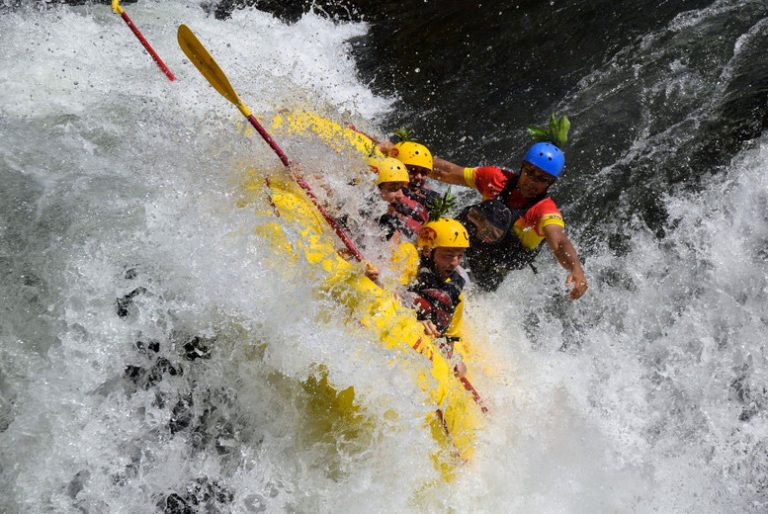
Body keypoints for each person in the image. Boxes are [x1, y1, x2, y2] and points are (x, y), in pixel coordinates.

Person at [431, 141, 588, 299]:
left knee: (497, 215)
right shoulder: (495, 179)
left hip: (488, 273)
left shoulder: (544, 211)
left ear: (550, 183)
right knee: (492, 210)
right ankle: (437, 252)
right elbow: (448, 171)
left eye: (542, 179)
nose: (532, 181)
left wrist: (576, 270)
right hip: (462, 248)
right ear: (522, 166)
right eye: (530, 172)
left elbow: (559, 242)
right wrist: (414, 162)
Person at [409, 217, 471, 376]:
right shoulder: (410, 260)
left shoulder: (457, 296)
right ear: (428, 251)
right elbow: (389, 289)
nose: (455, 263)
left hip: (423, 347)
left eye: (459, 256)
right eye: (448, 255)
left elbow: (449, 341)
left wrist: (456, 360)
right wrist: (415, 320)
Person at [368, 156, 428, 242]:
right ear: (372, 190)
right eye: (393, 188)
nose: (401, 195)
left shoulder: (389, 225)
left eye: (401, 188)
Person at [377, 140, 441, 210]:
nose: (419, 177)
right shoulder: (382, 186)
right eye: (412, 170)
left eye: (423, 173)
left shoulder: (432, 200)